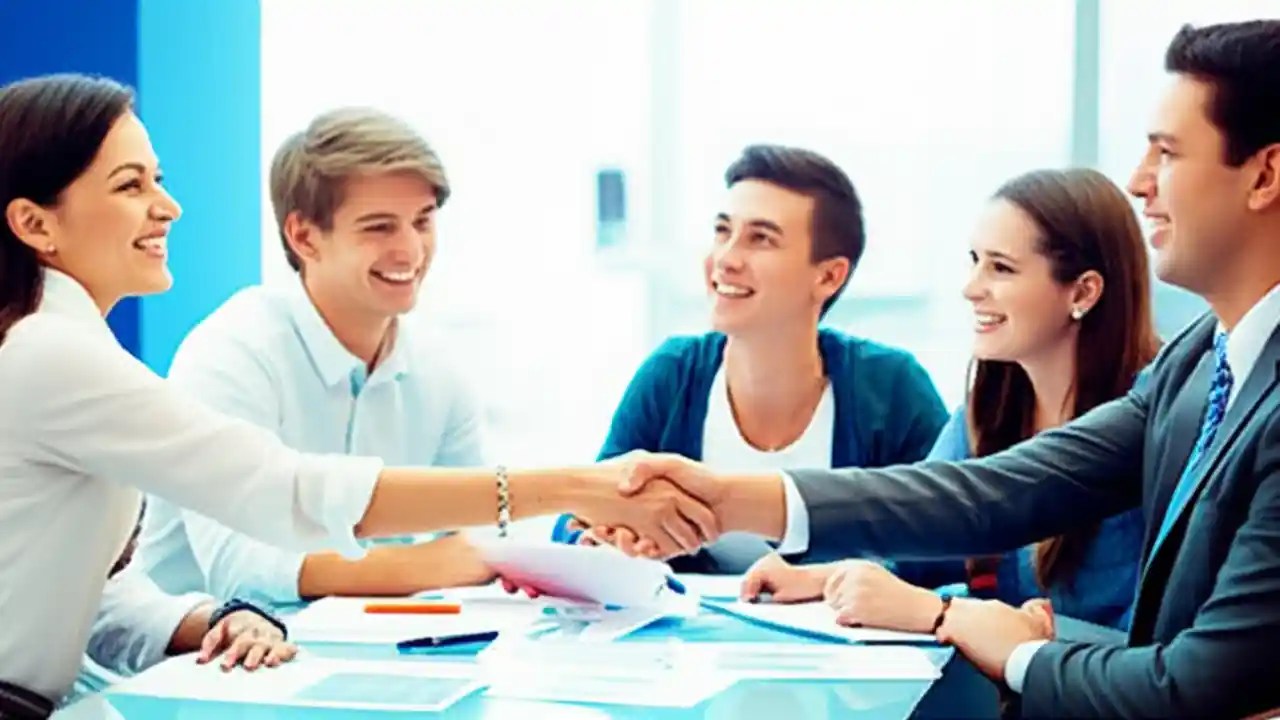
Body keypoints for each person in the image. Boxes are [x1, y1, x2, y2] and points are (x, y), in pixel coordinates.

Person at [610, 20, 1280, 718]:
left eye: (1167, 154)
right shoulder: (1201, 360)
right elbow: (994, 490)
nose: (1139, 183)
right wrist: (729, 500)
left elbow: (1198, 684)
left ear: (1264, 174)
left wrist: (981, 632)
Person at [0, 73, 714, 713]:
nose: (170, 208)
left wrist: (208, 621)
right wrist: (574, 488)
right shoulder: (53, 352)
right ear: (34, 223)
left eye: (158, 179)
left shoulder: (65, 346)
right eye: (131, 186)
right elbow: (285, 494)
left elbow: (92, 592)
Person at [741, 168, 1156, 634]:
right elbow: (919, 550)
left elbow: (1149, 647)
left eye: (1001, 268)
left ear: (1082, 291)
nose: (971, 287)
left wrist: (943, 613)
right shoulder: (983, 417)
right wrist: (827, 576)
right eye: (975, 260)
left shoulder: (1153, 428)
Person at [134, 108, 493, 609]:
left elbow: (482, 532)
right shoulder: (232, 353)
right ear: (303, 237)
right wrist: (423, 566)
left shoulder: (438, 370)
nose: (410, 251)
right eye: (379, 227)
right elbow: (238, 568)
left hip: (369, 650)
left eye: (422, 222)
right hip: (201, 659)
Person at [558, 145, 946, 574]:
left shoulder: (893, 388)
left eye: (760, 238)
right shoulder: (672, 375)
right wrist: (605, 540)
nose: (725, 259)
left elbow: (953, 548)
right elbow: (578, 518)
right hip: (688, 640)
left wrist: (840, 578)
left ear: (828, 276)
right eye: (722, 232)